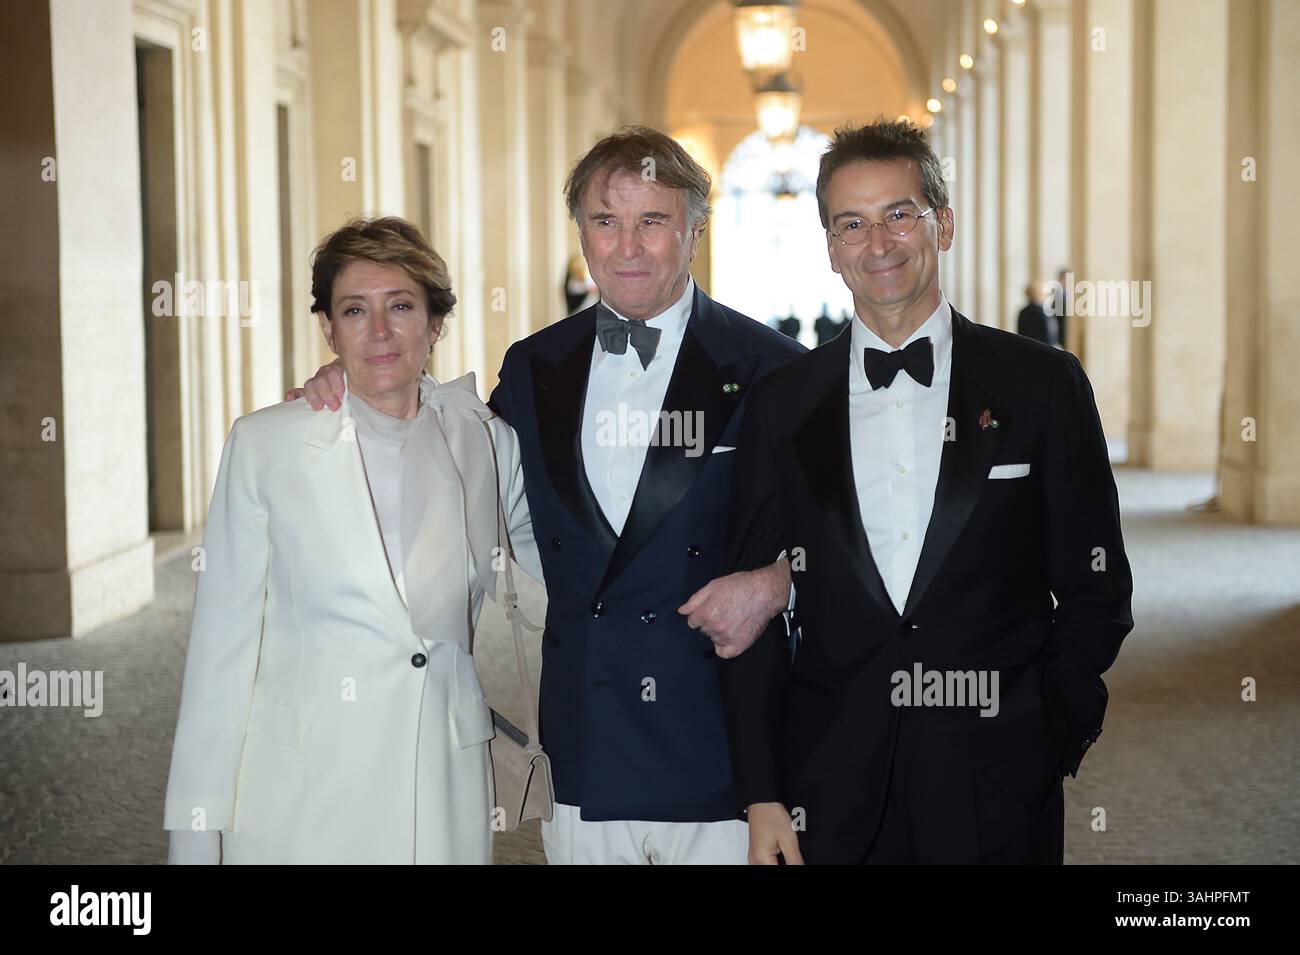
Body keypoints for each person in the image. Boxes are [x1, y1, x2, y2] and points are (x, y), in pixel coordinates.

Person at [297, 127, 801, 864]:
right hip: (584, 746)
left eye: (651, 221)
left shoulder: (772, 369)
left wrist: (778, 581)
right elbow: (455, 442)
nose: (626, 246)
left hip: (722, 752)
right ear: (582, 235)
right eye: (605, 221)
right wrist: (358, 383)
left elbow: (845, 530)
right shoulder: (537, 365)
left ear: (694, 231)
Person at [717, 119, 1133, 865]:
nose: (878, 244)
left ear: (941, 223)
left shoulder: (1042, 383)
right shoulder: (781, 403)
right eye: (853, 223)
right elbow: (748, 608)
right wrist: (763, 791)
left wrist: (1050, 727)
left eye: (898, 214)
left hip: (997, 777)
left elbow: (1096, 584)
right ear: (831, 248)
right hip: (830, 778)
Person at [164, 216, 538, 864]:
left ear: (435, 321)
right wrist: (196, 836)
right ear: (329, 328)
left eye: (401, 306)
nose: (380, 332)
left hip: (440, 797)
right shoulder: (267, 445)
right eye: (354, 311)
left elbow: (552, 567)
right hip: (302, 800)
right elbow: (219, 656)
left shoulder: (485, 441)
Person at [1017, 282, 1060, 346]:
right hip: (1043, 349)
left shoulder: (1022, 312)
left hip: (1026, 347)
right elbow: (1050, 335)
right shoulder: (1044, 312)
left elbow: (1019, 333)